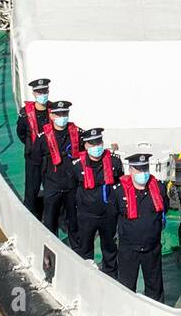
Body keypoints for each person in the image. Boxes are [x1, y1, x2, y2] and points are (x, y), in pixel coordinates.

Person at [112, 152, 169, 302]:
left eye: (145, 169)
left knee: (155, 289)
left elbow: (165, 207)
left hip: (152, 249)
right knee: (126, 288)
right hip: (128, 250)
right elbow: (112, 214)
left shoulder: (160, 189)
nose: (143, 173)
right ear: (130, 170)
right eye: (138, 170)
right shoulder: (118, 192)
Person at [72, 127, 122, 277]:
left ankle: (111, 276)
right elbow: (73, 186)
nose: (97, 147)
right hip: (87, 215)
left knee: (110, 248)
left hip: (108, 214)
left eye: (99, 143)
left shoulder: (114, 162)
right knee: (85, 247)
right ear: (86, 146)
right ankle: (85, 276)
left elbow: (119, 184)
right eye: (92, 144)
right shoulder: (77, 166)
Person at [30, 99, 81, 245]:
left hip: (71, 184)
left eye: (64, 113)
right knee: (50, 218)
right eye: (58, 114)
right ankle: (51, 246)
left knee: (73, 219)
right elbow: (36, 160)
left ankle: (76, 249)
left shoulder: (76, 133)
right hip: (53, 184)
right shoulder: (43, 138)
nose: (62, 117)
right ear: (51, 116)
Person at [16, 77, 52, 216]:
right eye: (39, 92)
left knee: (51, 189)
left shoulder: (53, 111)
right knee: (32, 189)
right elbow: (21, 133)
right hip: (33, 158)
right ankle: (30, 216)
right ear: (34, 94)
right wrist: (33, 147)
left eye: (44, 91)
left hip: (50, 158)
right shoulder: (26, 113)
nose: (42, 94)